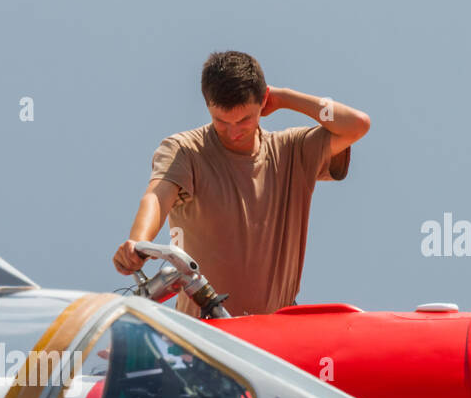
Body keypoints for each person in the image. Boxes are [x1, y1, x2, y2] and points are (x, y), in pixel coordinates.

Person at [112, 51, 370, 316]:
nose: (234, 132)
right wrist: (138, 242)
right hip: (201, 334)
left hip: (272, 339)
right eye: (221, 122)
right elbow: (157, 196)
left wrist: (284, 98)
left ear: (263, 104)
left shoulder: (292, 151)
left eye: (244, 120)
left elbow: (356, 125)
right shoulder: (185, 151)